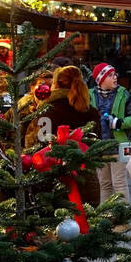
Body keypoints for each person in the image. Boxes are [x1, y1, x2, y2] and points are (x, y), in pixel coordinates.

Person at [32, 64, 101, 211]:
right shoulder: (91, 112)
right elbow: (98, 145)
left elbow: (38, 143)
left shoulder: (47, 110)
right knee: (88, 223)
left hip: (53, 179)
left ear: (55, 84)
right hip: (86, 179)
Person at [89, 62, 131, 206]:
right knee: (104, 184)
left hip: (118, 146)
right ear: (101, 79)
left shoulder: (123, 93)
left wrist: (119, 123)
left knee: (119, 183)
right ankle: (105, 216)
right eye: (110, 75)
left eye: (114, 74)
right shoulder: (90, 95)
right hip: (97, 148)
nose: (115, 78)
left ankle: (122, 218)